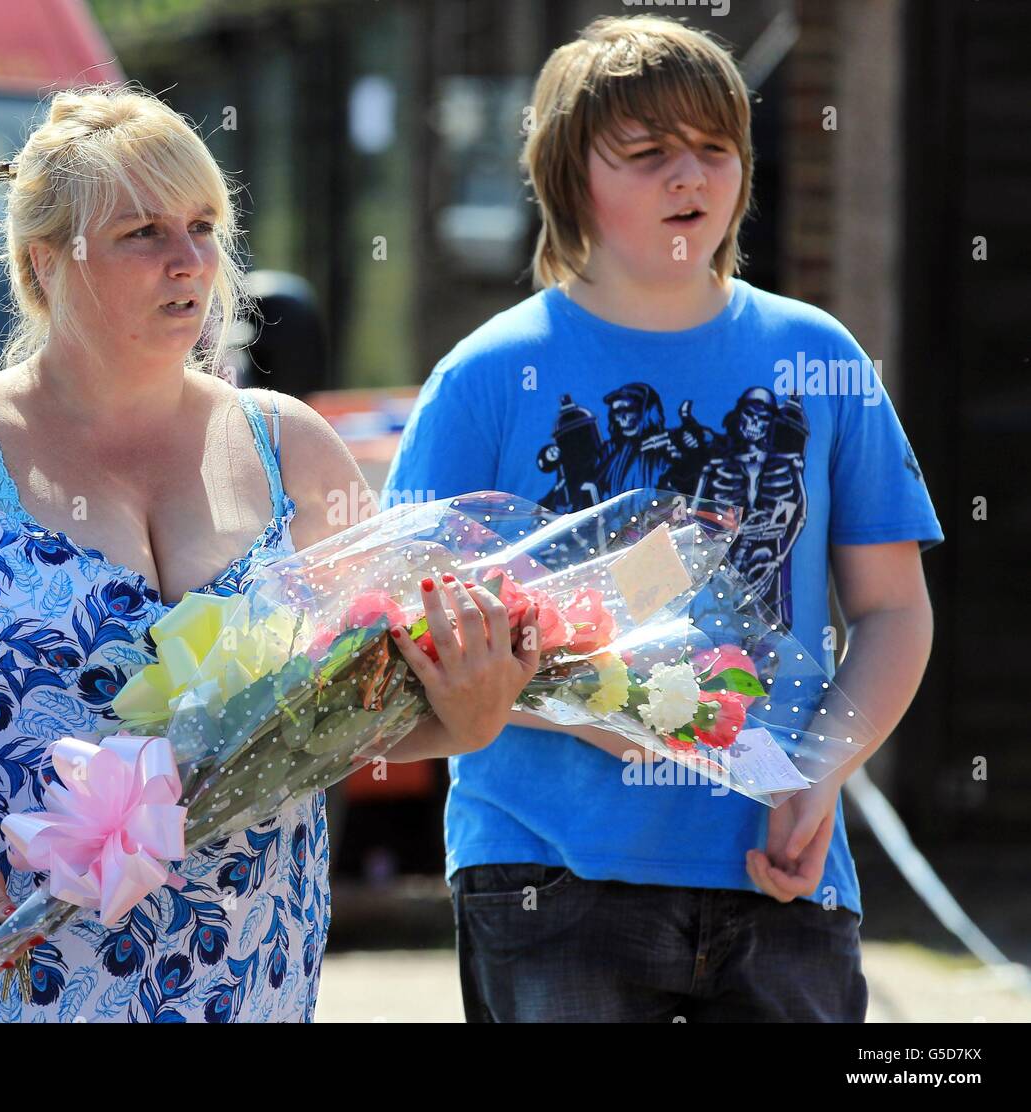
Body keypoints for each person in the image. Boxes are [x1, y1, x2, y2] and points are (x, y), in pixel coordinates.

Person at [0, 85, 539, 1023]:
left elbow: (360, 709)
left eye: (203, 225)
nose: (189, 260)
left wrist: (469, 716)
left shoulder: (294, 450)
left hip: (233, 969)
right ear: (47, 260)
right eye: (142, 232)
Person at [383, 16, 943, 1022]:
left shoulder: (819, 356)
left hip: (780, 871)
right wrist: (558, 692)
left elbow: (894, 610)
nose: (690, 176)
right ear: (568, 178)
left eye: (715, 149)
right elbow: (410, 630)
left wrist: (819, 771)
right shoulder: (479, 378)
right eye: (647, 154)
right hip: (544, 875)